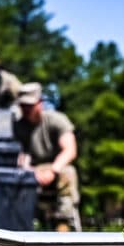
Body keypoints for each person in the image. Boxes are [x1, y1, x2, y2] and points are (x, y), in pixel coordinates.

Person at [12, 82, 81, 231]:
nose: (25, 109)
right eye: (22, 105)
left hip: (55, 167)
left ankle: (63, 223)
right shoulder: (17, 125)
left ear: (40, 103)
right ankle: (19, 223)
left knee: (68, 173)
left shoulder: (56, 120)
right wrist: (29, 169)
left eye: (29, 105)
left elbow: (70, 150)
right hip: (30, 169)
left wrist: (53, 170)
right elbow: (18, 154)